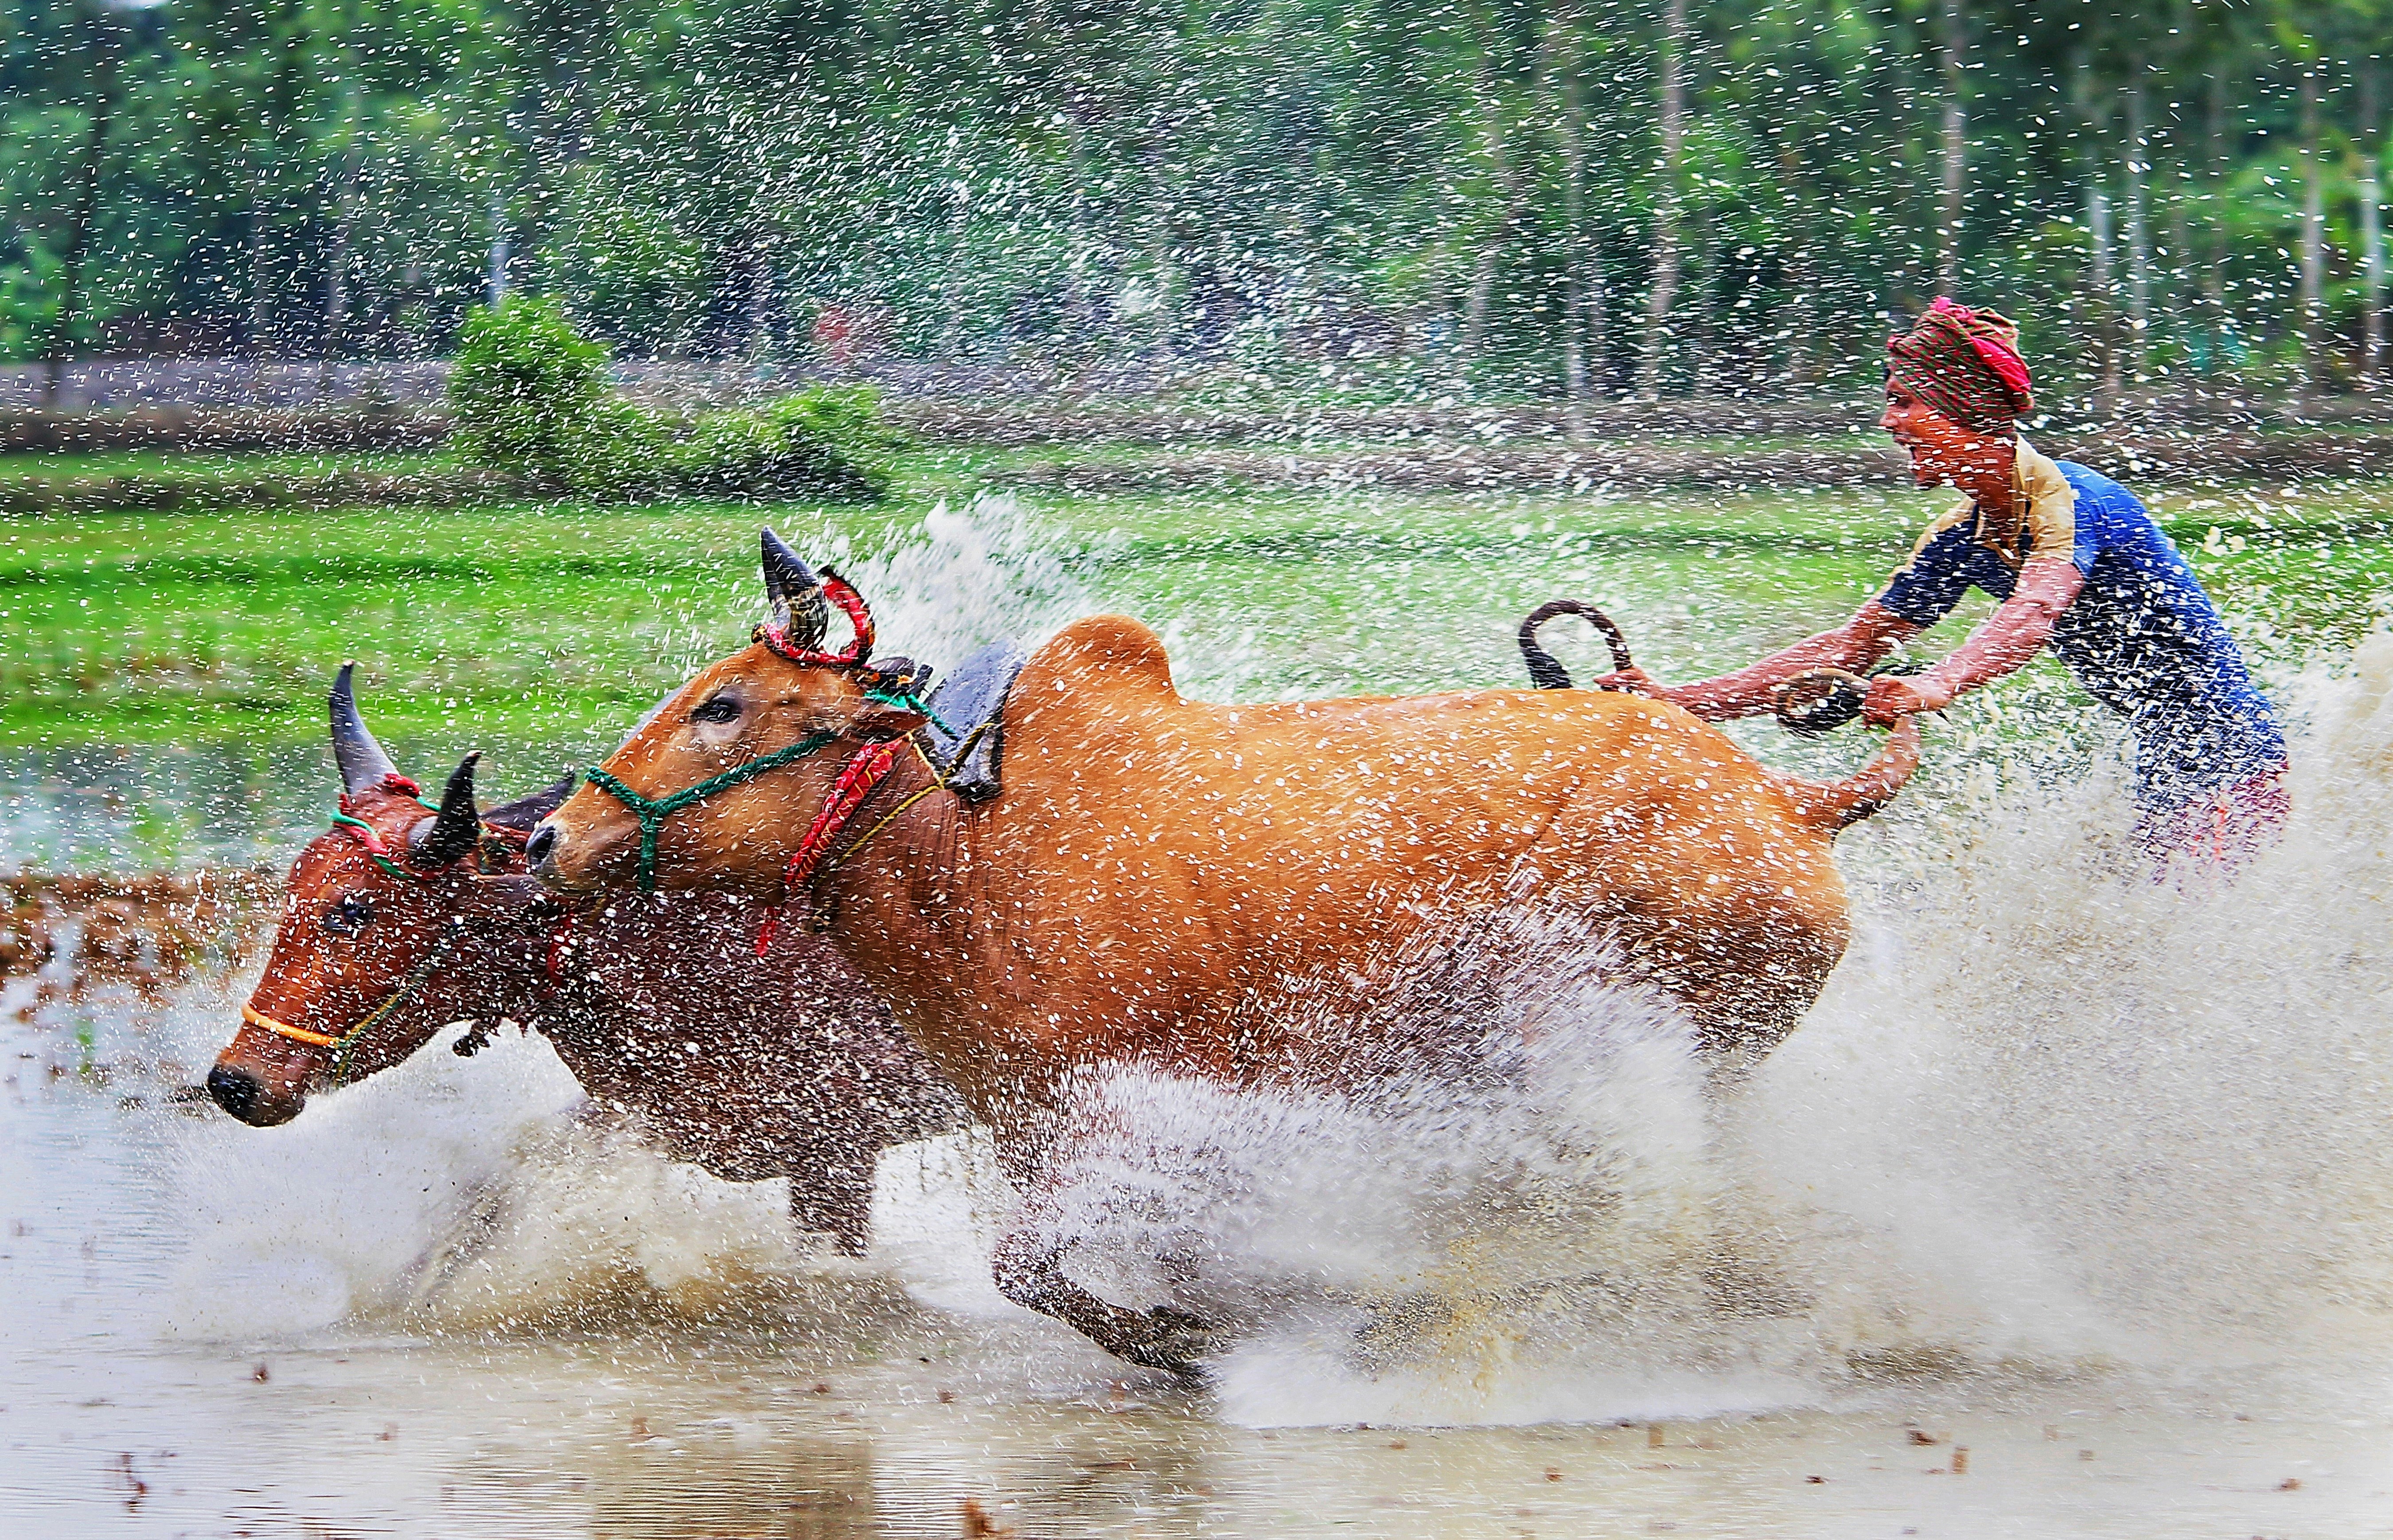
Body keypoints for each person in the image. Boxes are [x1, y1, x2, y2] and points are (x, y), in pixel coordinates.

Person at [1599, 297, 2288, 869]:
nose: (1889, 423)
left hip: (2228, 747)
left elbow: (2037, 609)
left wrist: (1939, 683)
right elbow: (1850, 648)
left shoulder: (2073, 502)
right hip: (2161, 749)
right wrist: (1681, 702)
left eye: (1904, 403)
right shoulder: (1963, 534)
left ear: (1965, 408)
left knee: (2182, 918)